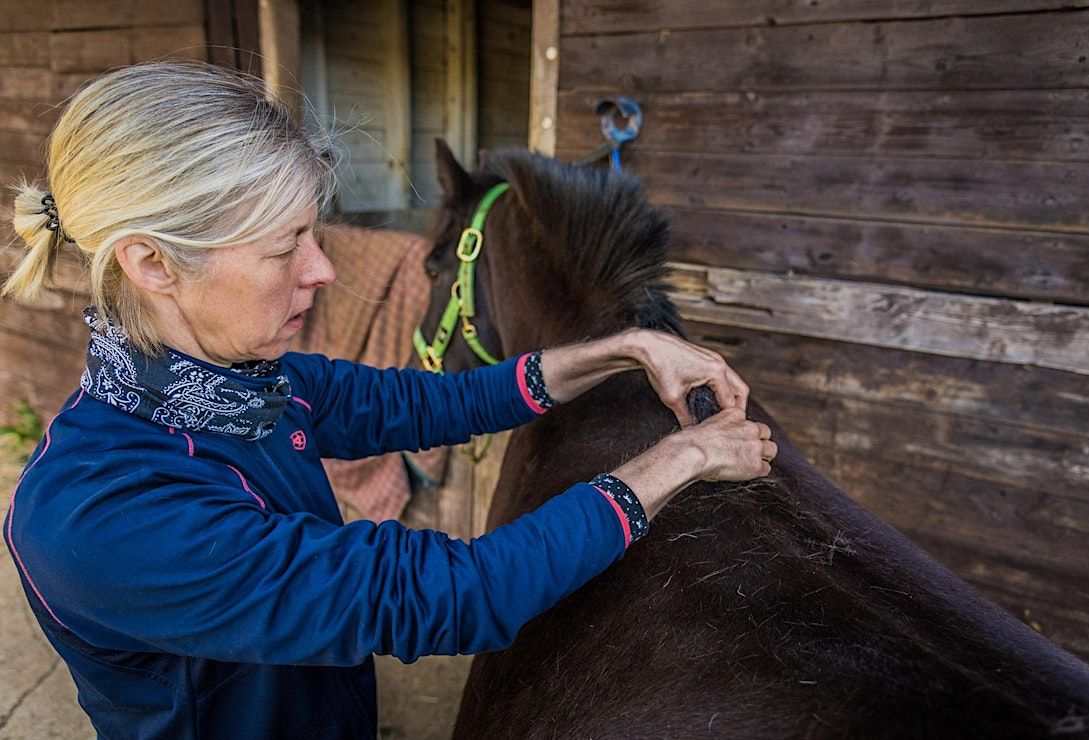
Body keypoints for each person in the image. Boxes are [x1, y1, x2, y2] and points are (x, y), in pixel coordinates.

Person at [2, 60, 777, 738]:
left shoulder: (247, 386)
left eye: (315, 235)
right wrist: (684, 456)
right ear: (151, 264)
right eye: (286, 246)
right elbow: (458, 593)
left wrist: (623, 348)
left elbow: (433, 404)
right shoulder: (96, 519)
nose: (322, 270)